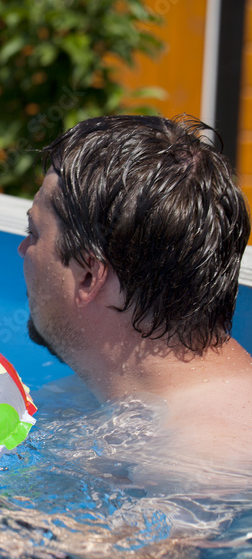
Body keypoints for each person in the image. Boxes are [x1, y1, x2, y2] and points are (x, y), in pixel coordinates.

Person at [18, 114, 252, 479]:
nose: (21, 249)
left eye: (33, 233)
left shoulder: (203, 462)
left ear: (89, 275)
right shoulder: (97, 396)